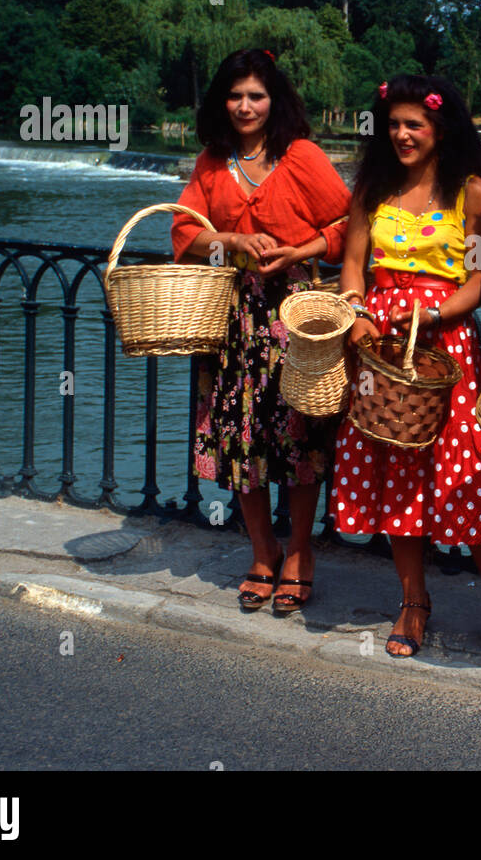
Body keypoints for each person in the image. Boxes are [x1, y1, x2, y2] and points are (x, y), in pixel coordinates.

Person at [333, 75, 481, 659]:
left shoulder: (475, 195)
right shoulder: (371, 188)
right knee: (394, 463)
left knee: (466, 469)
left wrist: (431, 311)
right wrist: (358, 313)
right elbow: (352, 267)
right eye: (393, 124)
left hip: (444, 342)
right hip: (380, 344)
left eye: (414, 124)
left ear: (442, 129)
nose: (402, 134)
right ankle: (413, 602)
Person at [171, 48, 351, 615]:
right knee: (239, 433)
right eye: (235, 95)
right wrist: (230, 242)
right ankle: (262, 551)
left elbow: (350, 226)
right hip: (231, 319)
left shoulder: (302, 157)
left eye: (256, 95)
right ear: (220, 102)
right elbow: (182, 231)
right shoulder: (210, 161)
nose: (245, 106)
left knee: (298, 432)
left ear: (275, 101)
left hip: (297, 316)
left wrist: (300, 248)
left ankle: (300, 553)